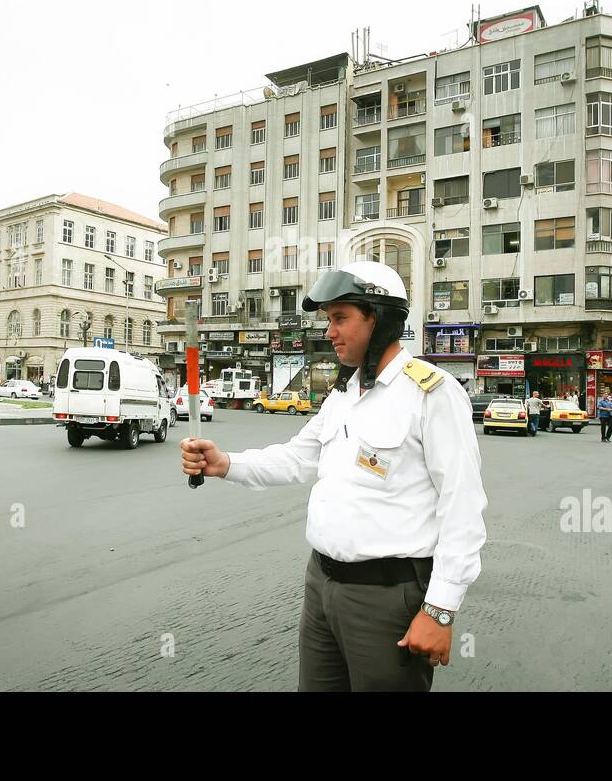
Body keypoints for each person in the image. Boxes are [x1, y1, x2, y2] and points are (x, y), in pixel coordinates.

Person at [178, 261, 488, 691]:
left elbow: (463, 508)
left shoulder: (432, 393)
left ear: (377, 319)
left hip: (387, 598)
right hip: (320, 585)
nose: (329, 332)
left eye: (340, 318)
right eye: (328, 319)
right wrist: (225, 463)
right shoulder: (344, 394)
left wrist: (439, 610)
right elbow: (298, 458)